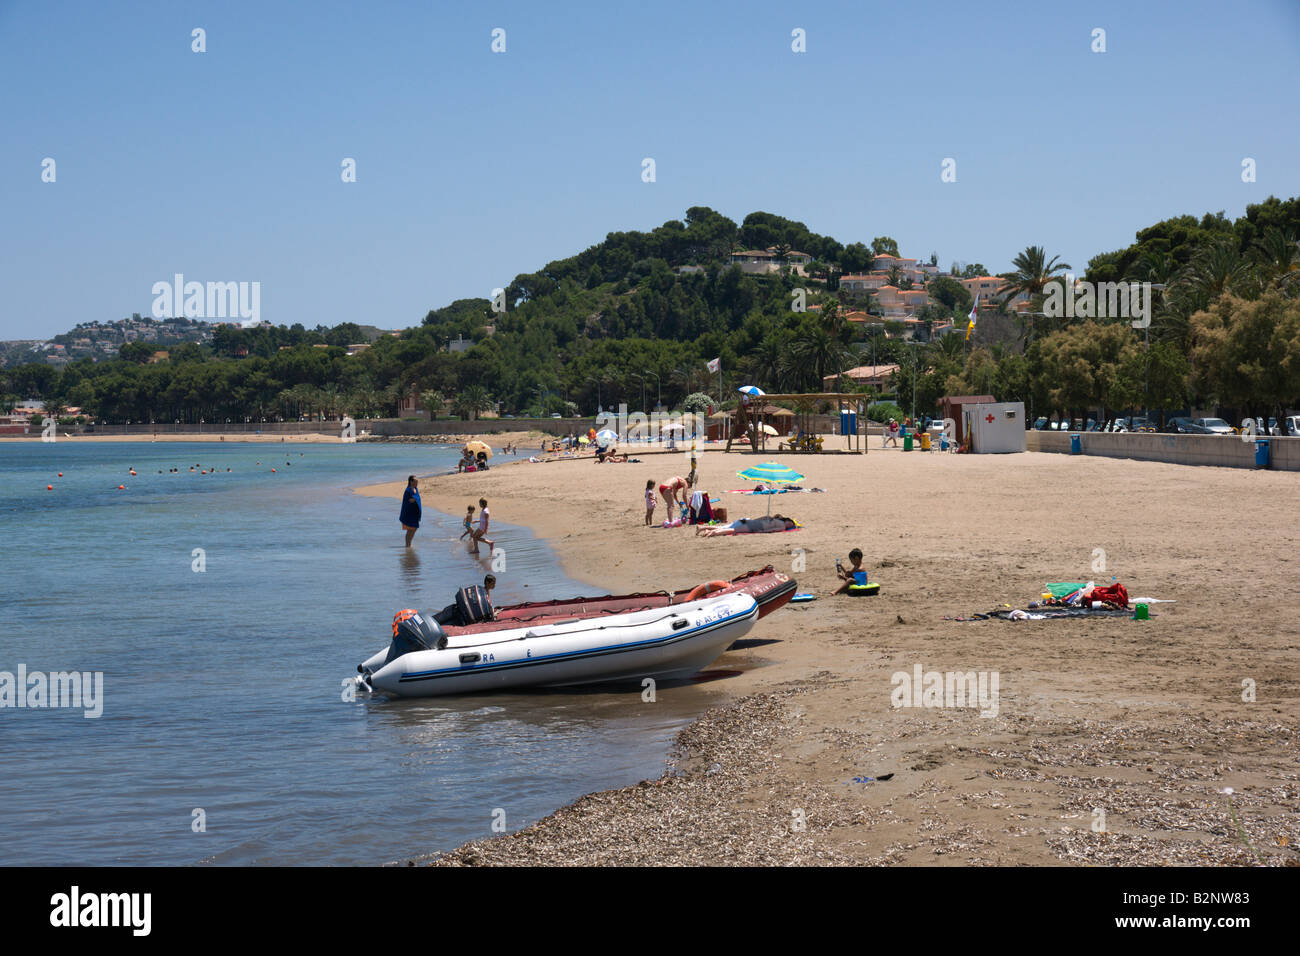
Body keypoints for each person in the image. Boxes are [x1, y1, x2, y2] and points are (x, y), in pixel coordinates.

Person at [695, 514, 797, 537]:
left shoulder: (772, 518)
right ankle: (713, 533)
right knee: (733, 530)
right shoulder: (782, 526)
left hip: (749, 521)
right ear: (787, 520)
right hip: (754, 526)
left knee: (726, 527)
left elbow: (761, 518)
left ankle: (703, 528)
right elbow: (773, 530)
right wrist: (761, 531)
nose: (790, 526)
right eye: (791, 523)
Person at [399, 475, 421, 547]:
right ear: (411, 481)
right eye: (415, 481)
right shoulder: (408, 490)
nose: (417, 482)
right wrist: (415, 499)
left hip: (414, 512)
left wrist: (415, 499)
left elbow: (415, 499)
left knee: (415, 528)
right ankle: (407, 545)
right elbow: (409, 500)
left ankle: (409, 544)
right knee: (410, 529)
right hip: (409, 512)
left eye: (417, 481)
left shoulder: (415, 489)